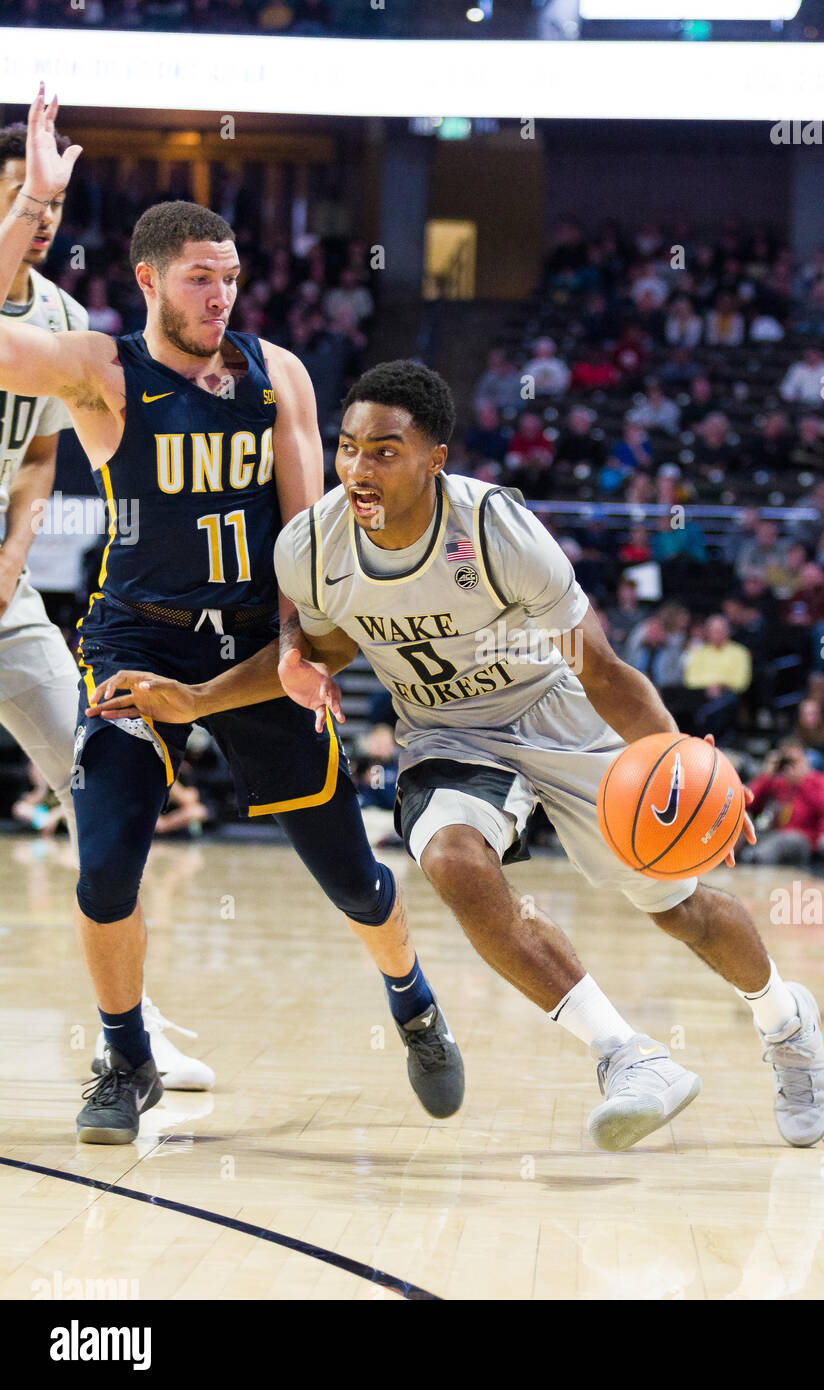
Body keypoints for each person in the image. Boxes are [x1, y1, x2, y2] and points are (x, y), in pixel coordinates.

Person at [1, 90, 462, 1142]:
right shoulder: (99, 370)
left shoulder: (277, 373)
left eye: (234, 278)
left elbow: (305, 537)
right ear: (149, 279)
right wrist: (33, 202)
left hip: (257, 636)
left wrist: (303, 648)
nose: (222, 296)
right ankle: (126, 1058)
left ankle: (414, 1003)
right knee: (106, 860)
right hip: (136, 634)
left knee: (350, 870)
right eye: (202, 278)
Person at [260, 360, 824, 1151]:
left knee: (676, 905)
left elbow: (599, 667)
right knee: (454, 863)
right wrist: (288, 654)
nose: (359, 468)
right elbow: (325, 643)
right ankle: (627, 1056)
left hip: (553, 708)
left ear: (435, 460)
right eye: (348, 447)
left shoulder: (496, 531)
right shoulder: (311, 545)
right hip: (444, 731)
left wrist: (676, 767)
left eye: (385, 451)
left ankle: (783, 1019)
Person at [0, 108, 211, 1088]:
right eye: (22, 200)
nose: (40, 221)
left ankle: (131, 1027)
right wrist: (36, 188)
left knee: (98, 795)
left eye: (47, 208)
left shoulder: (66, 321)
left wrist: (14, 554)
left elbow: (40, 454)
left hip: (3, 600)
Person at [742, 740, 824, 865]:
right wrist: (766, 774)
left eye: (794, 761)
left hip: (805, 839)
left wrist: (801, 781)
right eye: (785, 762)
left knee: (785, 840)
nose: (789, 767)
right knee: (741, 826)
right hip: (774, 834)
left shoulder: (819, 780)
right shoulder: (778, 782)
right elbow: (746, 802)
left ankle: (754, 861)